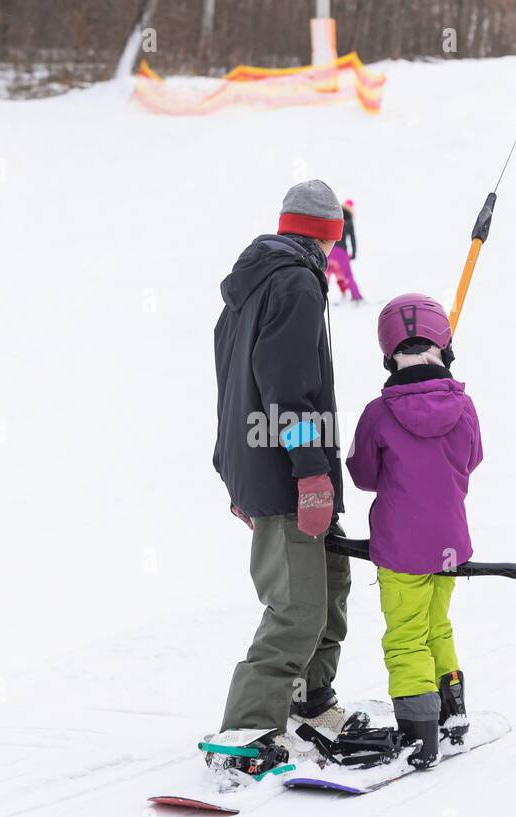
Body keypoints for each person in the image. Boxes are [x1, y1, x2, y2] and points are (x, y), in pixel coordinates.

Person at [210, 180, 356, 777]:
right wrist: (310, 475)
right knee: (297, 608)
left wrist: (231, 472)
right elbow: (286, 392)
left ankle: (308, 699)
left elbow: (231, 391)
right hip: (287, 475)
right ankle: (247, 729)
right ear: (323, 239)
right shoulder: (294, 284)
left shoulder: (252, 288)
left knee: (330, 587)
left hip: (264, 467)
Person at [346, 294, 482, 769]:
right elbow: (473, 460)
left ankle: (419, 732)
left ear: (388, 353)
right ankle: (453, 711)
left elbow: (364, 477)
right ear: (444, 348)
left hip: (400, 549)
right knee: (436, 625)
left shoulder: (378, 414)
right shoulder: (464, 408)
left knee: (405, 635)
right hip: (449, 546)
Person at [325, 199, 363, 303]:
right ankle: (356, 297)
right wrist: (354, 253)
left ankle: (319, 297)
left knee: (324, 275)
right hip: (342, 252)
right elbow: (352, 238)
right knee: (348, 275)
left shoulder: (334, 218)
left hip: (329, 250)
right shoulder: (349, 221)